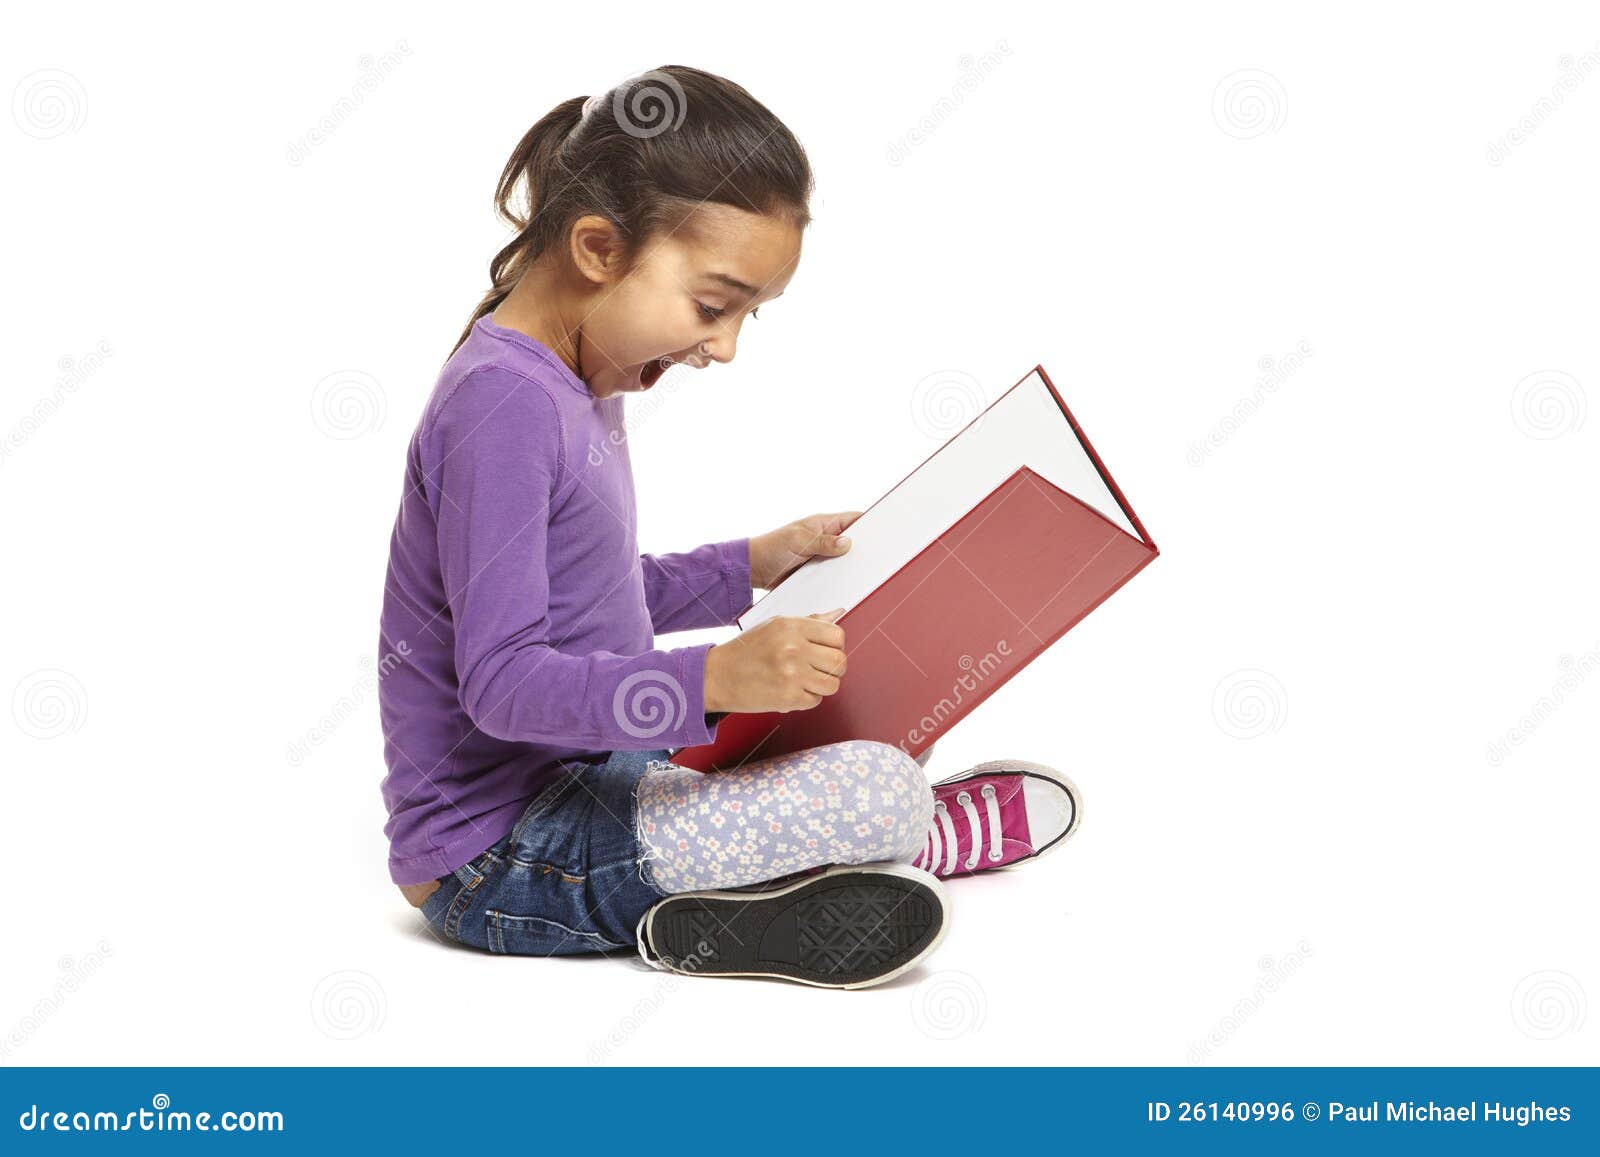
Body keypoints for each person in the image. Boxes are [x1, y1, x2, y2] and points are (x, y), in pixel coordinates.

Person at [378, 66, 1081, 989]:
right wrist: (711, 677)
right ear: (597, 248)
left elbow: (593, 592)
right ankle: (888, 840)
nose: (725, 345)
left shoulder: (575, 376)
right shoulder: (502, 406)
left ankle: (824, 847)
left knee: (863, 708)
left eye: (750, 314)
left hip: (600, 775)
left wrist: (749, 565)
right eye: (714, 305)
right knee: (876, 784)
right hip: (501, 859)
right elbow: (504, 687)